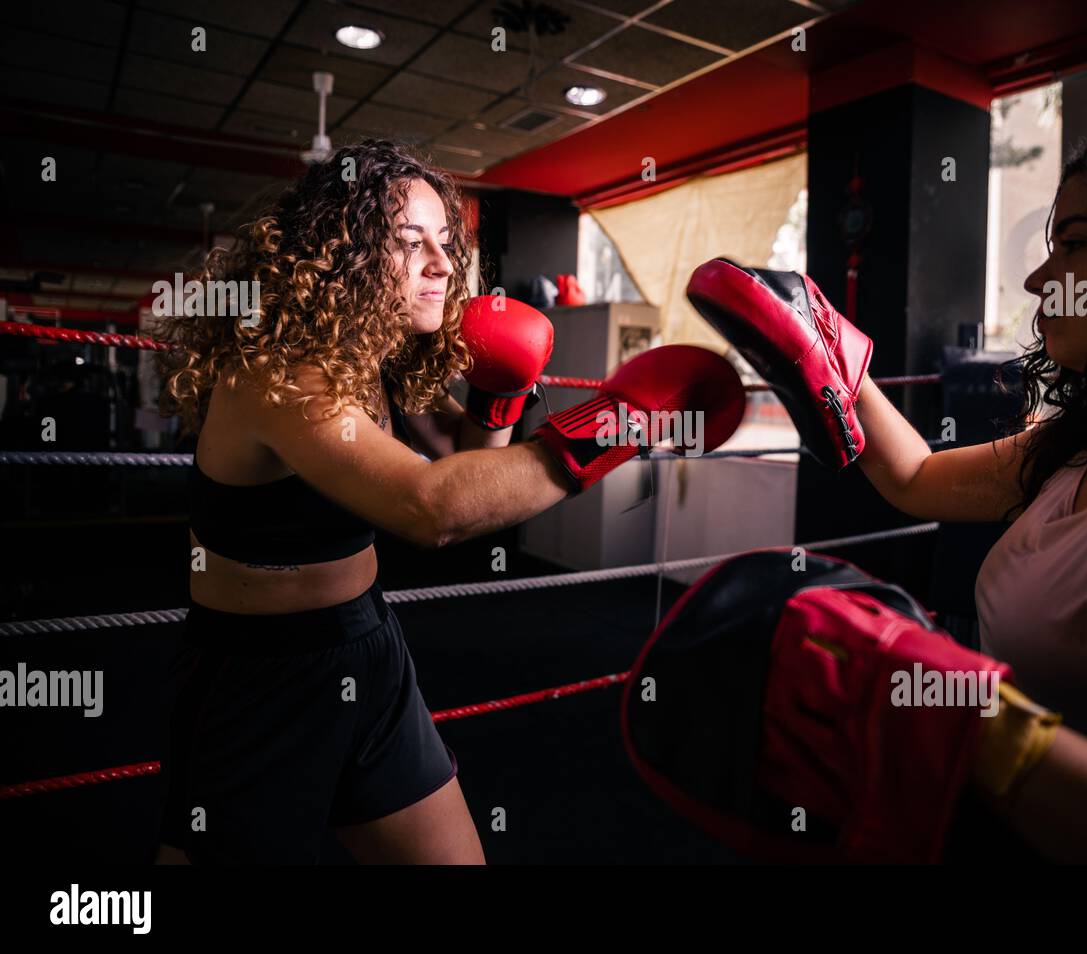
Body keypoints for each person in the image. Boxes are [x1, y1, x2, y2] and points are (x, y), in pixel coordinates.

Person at [688, 112, 1087, 861]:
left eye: (1072, 245)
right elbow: (915, 477)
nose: (1038, 279)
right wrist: (821, 342)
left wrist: (977, 730)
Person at [152, 139, 743, 864]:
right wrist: (619, 422)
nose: (441, 263)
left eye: (445, 241)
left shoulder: (368, 361)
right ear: (346, 258)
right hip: (259, 678)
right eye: (408, 244)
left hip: (366, 646)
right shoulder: (278, 378)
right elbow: (430, 508)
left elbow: (466, 475)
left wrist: (497, 402)